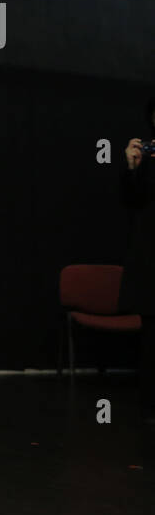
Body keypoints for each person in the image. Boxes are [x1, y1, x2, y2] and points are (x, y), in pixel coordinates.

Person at [119, 97, 155, 427]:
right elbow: (132, 201)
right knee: (152, 340)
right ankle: (149, 409)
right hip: (151, 262)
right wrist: (132, 166)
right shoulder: (147, 157)